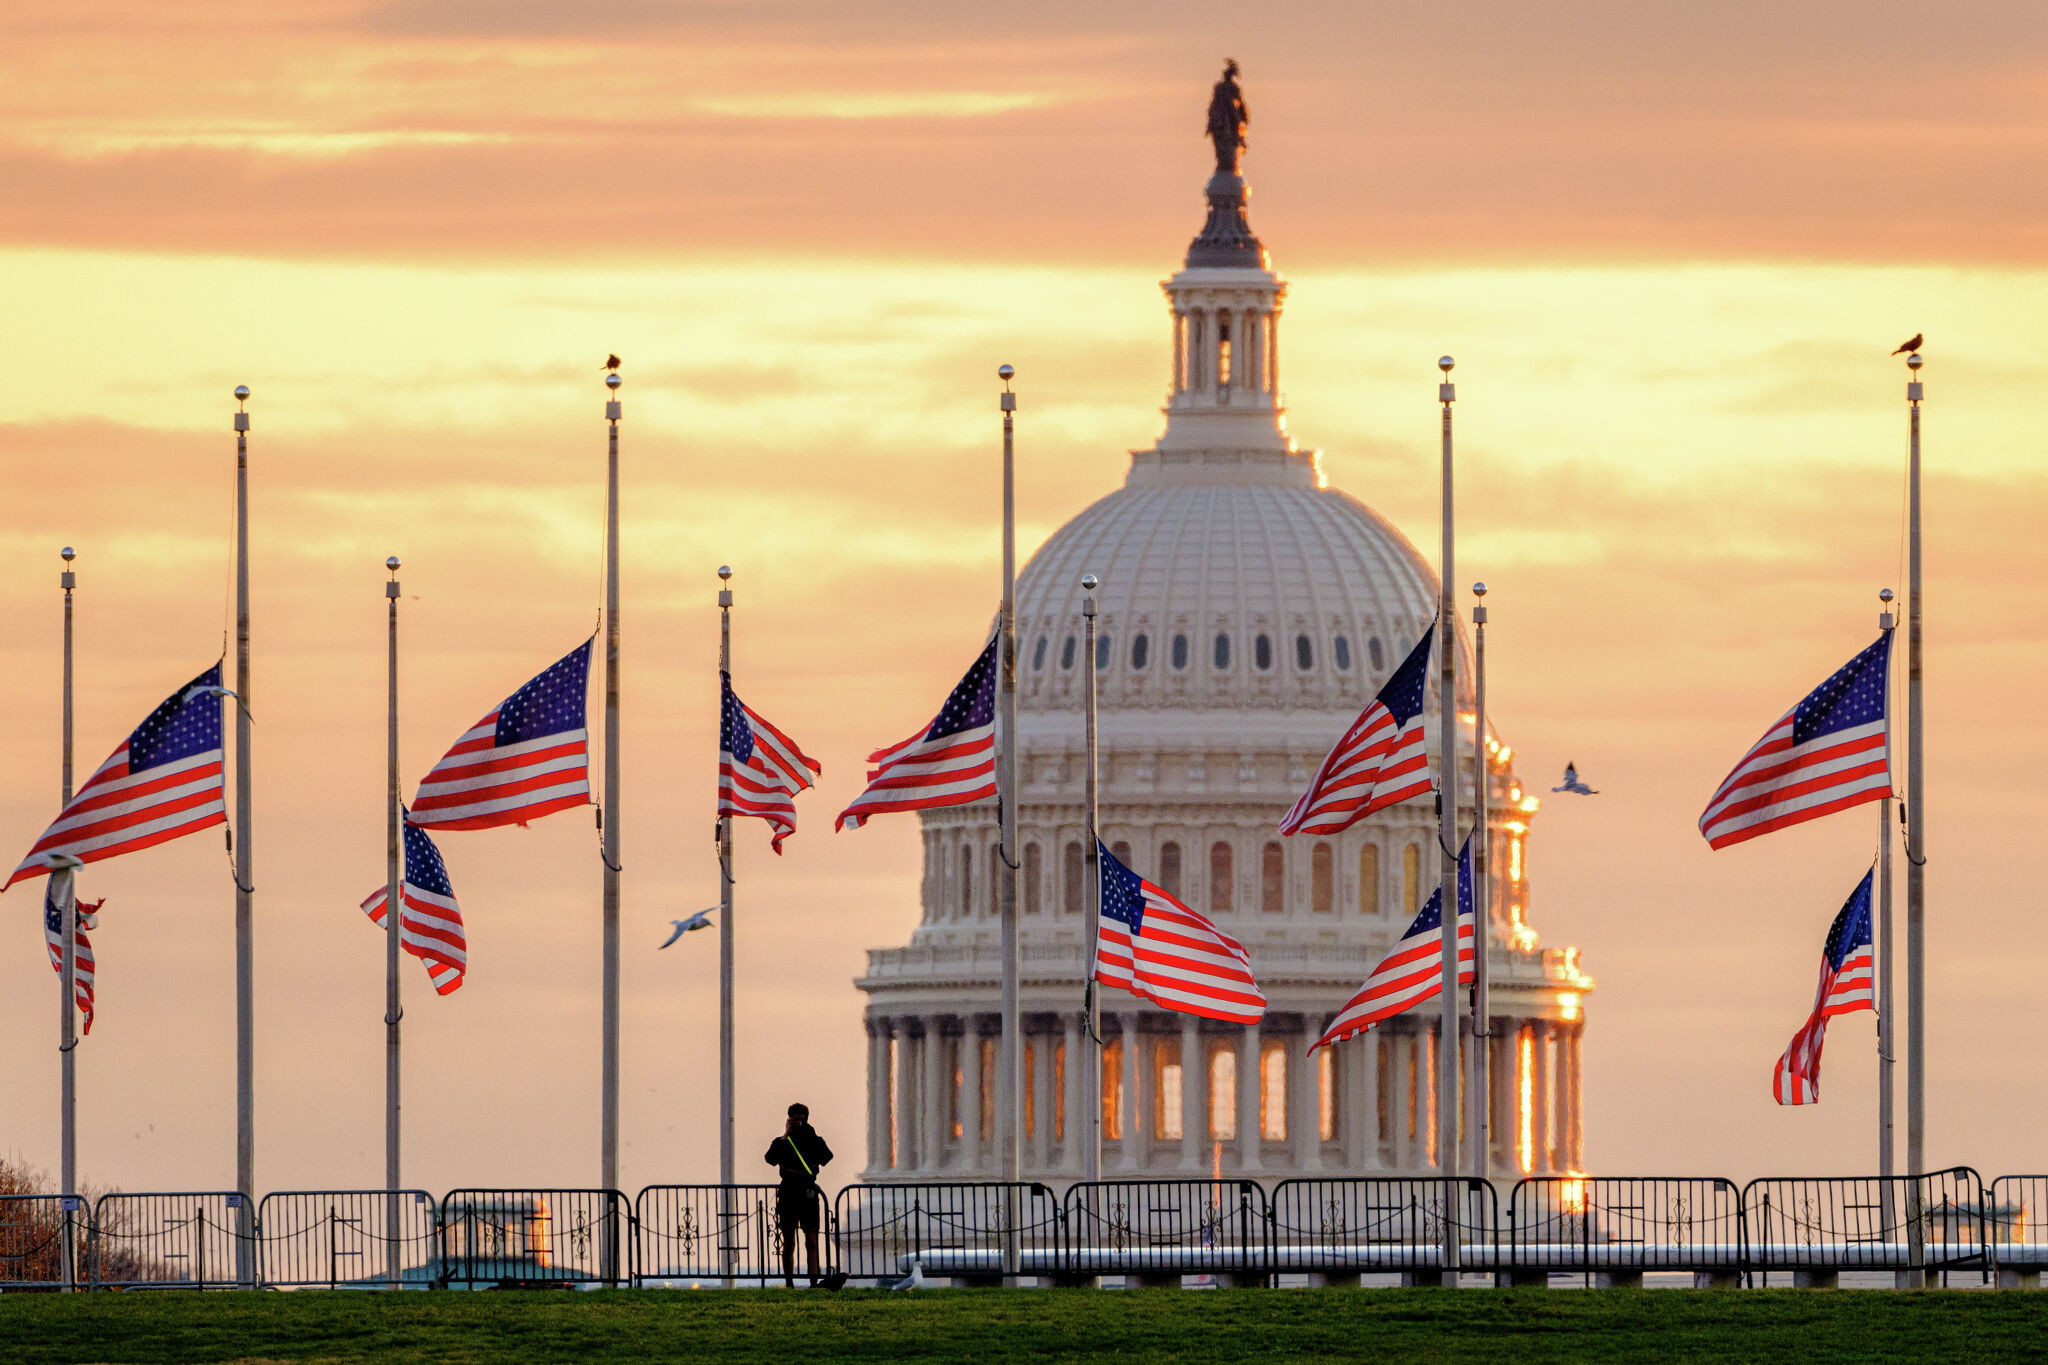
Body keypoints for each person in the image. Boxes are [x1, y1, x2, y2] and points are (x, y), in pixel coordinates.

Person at [765, 1102, 835, 1288]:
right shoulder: (781, 1142)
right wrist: (786, 1135)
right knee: (788, 1240)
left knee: (811, 1239)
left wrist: (808, 1133)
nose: (797, 1123)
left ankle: (813, 1280)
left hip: (808, 1191)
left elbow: (826, 1156)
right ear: (788, 1119)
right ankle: (789, 1282)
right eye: (793, 1120)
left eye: (800, 1120)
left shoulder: (815, 1139)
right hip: (788, 1191)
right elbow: (770, 1158)